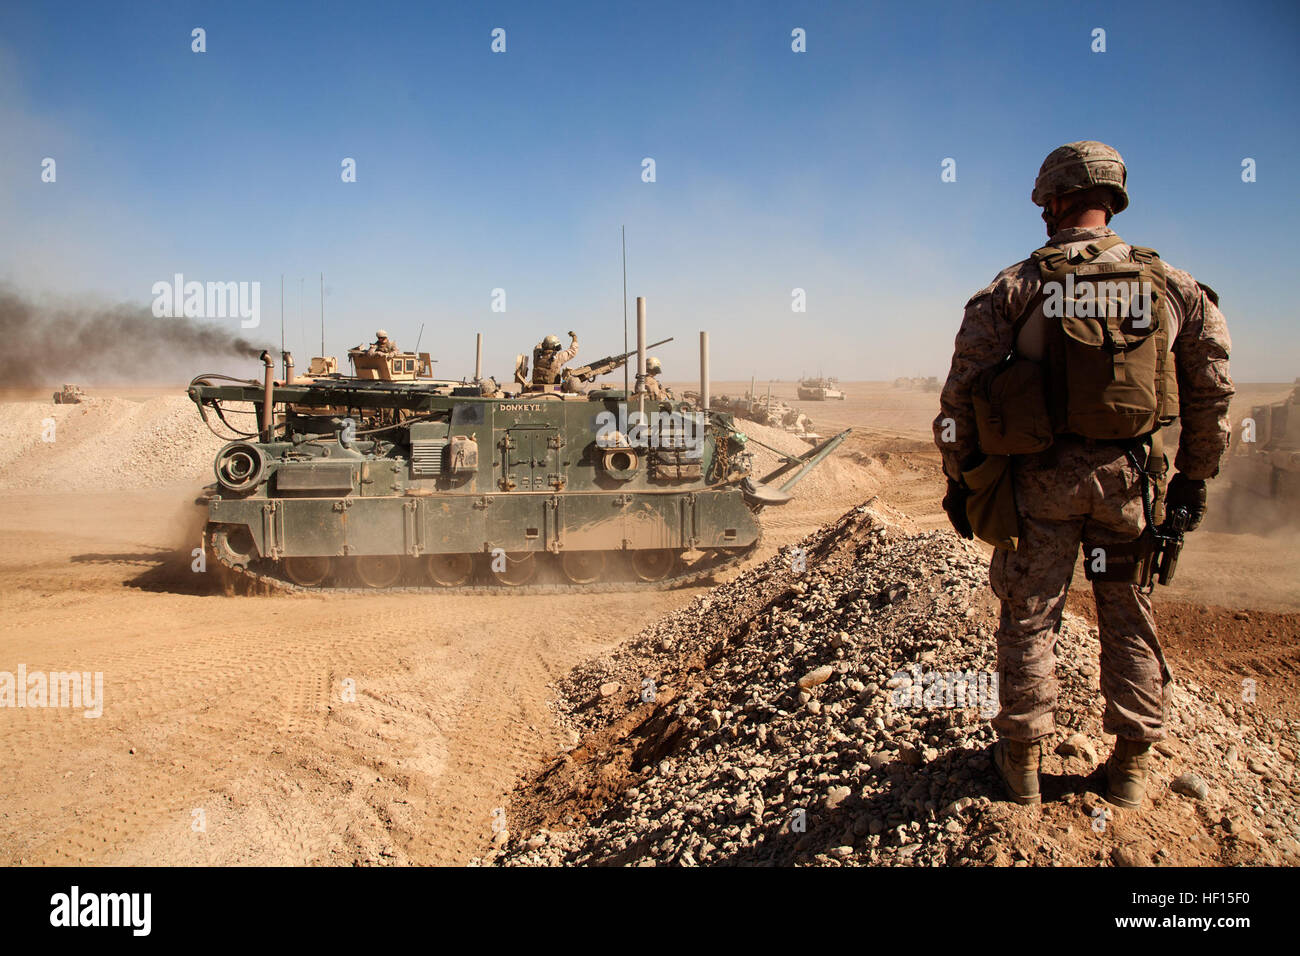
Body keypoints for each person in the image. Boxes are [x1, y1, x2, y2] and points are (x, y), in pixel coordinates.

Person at [933, 141, 1234, 809]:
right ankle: (1129, 766)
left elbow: (960, 400)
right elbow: (1212, 391)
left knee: (1031, 614)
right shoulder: (1172, 285)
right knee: (1127, 614)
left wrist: (961, 481)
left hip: (1040, 486)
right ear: (1111, 200)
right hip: (1131, 482)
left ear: (1058, 201)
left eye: (1046, 203)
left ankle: (1021, 763)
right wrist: (1192, 480)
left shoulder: (1016, 285)